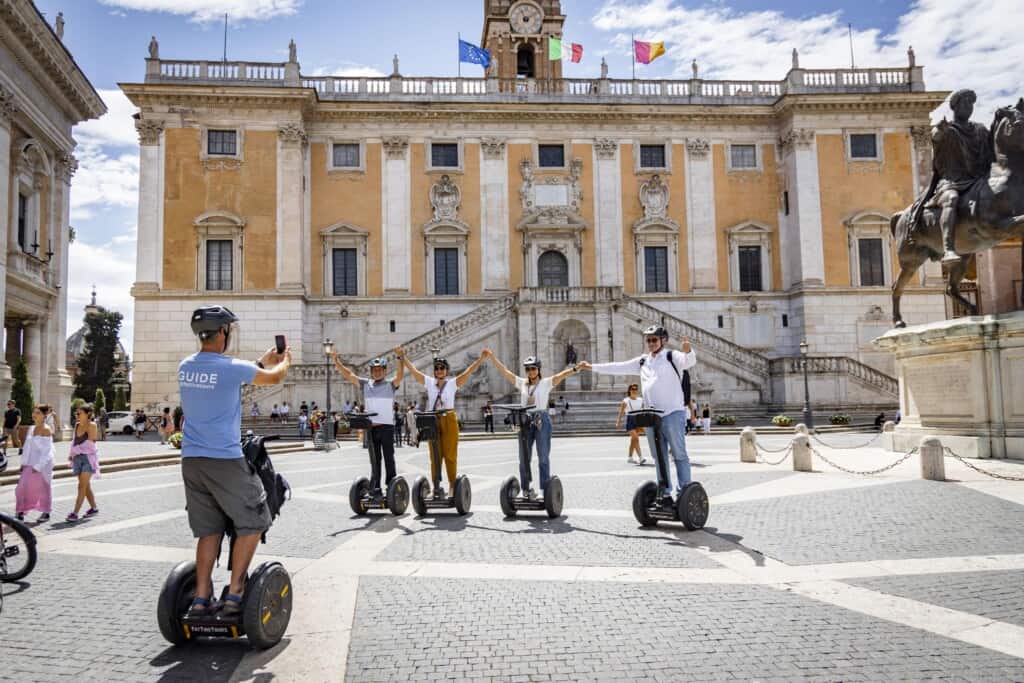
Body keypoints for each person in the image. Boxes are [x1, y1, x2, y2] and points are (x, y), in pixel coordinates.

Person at [178, 305, 290, 618]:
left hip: (192, 461)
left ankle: (201, 598)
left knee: (209, 530)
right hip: (224, 459)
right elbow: (274, 378)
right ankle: (235, 593)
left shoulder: (186, 366)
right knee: (254, 518)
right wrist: (284, 361)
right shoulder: (229, 368)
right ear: (223, 332)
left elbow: (223, 379)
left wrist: (260, 362)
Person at [580, 324, 696, 499]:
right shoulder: (643, 361)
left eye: (654, 340)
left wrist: (688, 351)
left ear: (663, 340)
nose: (651, 343)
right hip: (651, 416)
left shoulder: (672, 356)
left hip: (672, 413)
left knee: (679, 454)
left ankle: (685, 493)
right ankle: (664, 492)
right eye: (648, 340)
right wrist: (591, 367)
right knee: (659, 457)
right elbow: (618, 367)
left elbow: (689, 362)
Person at [486, 351, 578, 499]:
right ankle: (525, 489)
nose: (530, 371)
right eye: (528, 369)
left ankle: (543, 490)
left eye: (533, 368)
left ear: (538, 369)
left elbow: (561, 375)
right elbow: (505, 372)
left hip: (541, 420)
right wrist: (492, 357)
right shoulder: (522, 383)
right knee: (524, 458)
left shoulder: (546, 383)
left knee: (543, 457)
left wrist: (575, 368)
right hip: (525, 420)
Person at [400, 351, 488, 497]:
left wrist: (481, 358)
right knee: (435, 456)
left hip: (449, 419)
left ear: (447, 370)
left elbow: (468, 372)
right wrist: (403, 358)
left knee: (450, 455)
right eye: (437, 368)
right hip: (433, 420)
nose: (439, 370)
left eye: (442, 368)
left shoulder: (452, 384)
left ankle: (453, 485)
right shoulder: (430, 382)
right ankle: (436, 486)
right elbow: (414, 372)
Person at [334, 350, 405, 499]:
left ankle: (391, 485)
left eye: (380, 370)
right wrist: (336, 361)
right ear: (371, 372)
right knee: (374, 460)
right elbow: (349, 375)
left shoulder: (390, 384)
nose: (377, 372)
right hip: (371, 428)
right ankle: (375, 487)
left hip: (386, 427)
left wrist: (400, 358)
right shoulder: (366, 384)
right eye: (374, 370)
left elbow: (399, 376)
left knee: (389, 458)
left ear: (384, 371)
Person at [14, 404, 54, 523]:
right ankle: (20, 512)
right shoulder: (31, 428)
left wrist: (38, 467)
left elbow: (47, 452)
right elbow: (27, 447)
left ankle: (46, 512)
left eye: (38, 413)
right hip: (29, 464)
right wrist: (23, 463)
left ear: (44, 415)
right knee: (21, 488)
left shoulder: (46, 430)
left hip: (43, 465)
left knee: (44, 488)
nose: (34, 415)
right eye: (34, 412)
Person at [66, 403, 100, 522]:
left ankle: (75, 513)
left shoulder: (92, 426)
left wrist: (76, 450)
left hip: (88, 459)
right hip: (77, 459)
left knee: (81, 486)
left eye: (79, 413)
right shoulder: (77, 425)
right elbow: (74, 441)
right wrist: (71, 454)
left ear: (88, 414)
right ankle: (94, 508)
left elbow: (90, 445)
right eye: (76, 413)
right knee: (86, 486)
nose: (77, 415)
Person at [616, 384, 646, 464]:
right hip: (630, 420)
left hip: (638, 420)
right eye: (633, 389)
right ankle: (641, 457)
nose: (634, 391)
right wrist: (618, 421)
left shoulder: (640, 400)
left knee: (633, 440)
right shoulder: (626, 400)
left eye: (636, 389)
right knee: (636, 438)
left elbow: (643, 410)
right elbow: (621, 412)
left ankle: (630, 457)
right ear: (629, 390)